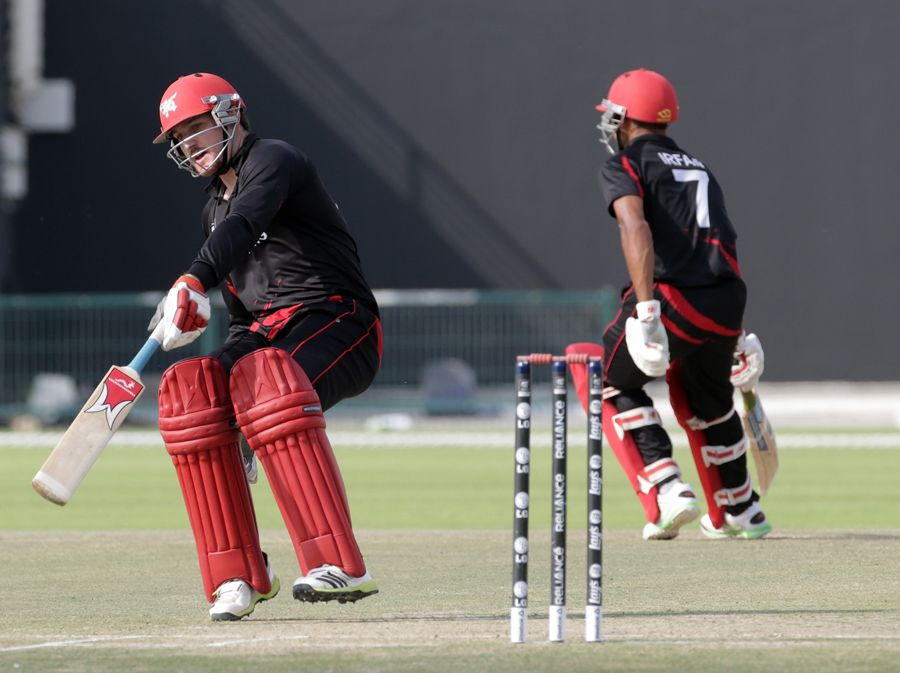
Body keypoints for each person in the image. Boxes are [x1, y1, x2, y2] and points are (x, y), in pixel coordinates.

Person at [149, 72, 383, 620]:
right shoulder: (212, 211)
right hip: (266, 335)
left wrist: (192, 278)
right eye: (180, 138)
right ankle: (239, 575)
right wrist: (198, 318)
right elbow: (243, 319)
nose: (191, 146)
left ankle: (340, 565)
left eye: (198, 129)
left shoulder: (274, 160)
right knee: (193, 392)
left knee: (264, 384)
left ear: (231, 116)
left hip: (338, 319)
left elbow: (246, 221)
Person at [591, 68, 772, 541]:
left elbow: (635, 228)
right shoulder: (699, 166)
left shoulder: (626, 164)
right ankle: (741, 509)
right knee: (706, 401)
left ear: (626, 118)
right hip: (726, 299)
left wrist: (647, 310)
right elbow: (724, 241)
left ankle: (668, 488)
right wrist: (738, 333)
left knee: (608, 381)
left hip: (674, 296)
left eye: (614, 115)